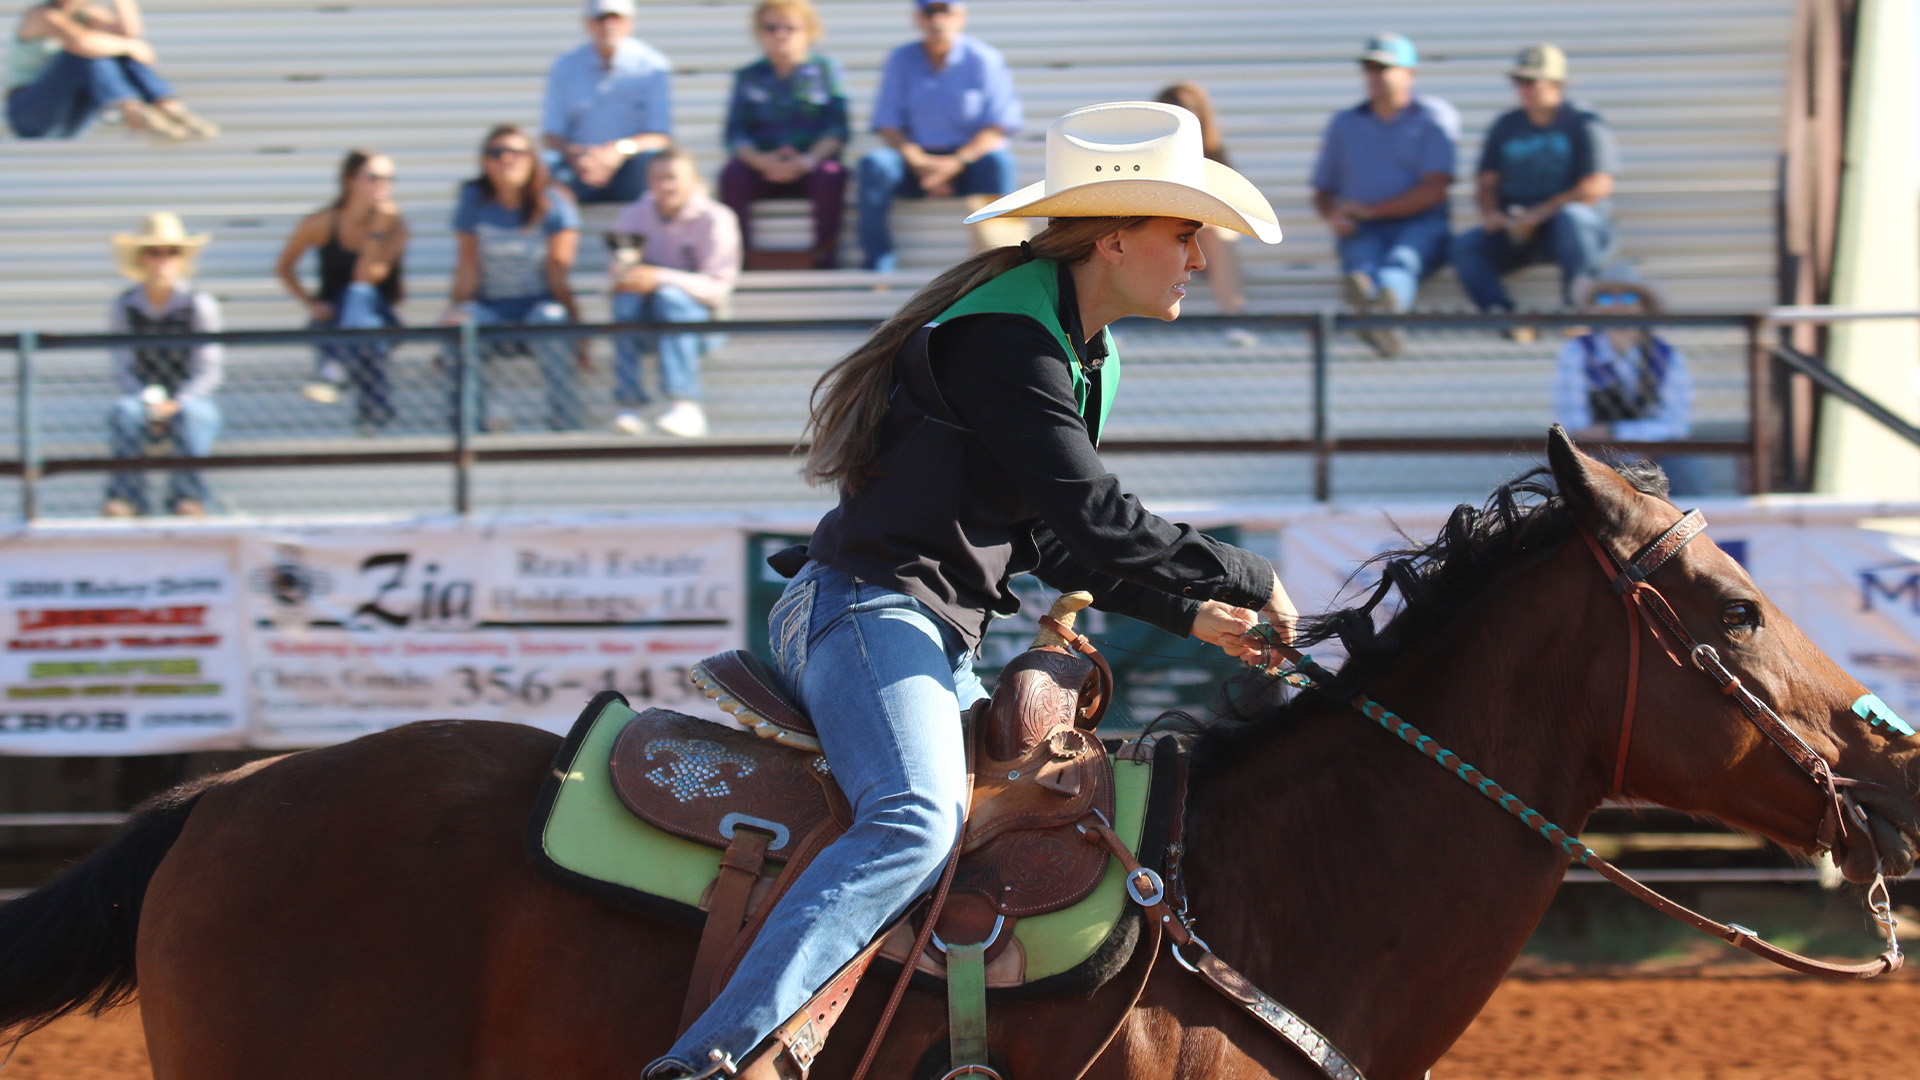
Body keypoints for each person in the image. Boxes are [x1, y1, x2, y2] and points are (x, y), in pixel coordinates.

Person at [643, 100, 1295, 1079]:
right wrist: (1250, 574)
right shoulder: (1010, 341)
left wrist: (1197, 614)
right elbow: (1092, 518)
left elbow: (1058, 546)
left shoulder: (1073, 348)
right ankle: (709, 1062)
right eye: (1185, 233)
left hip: (917, 625)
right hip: (867, 611)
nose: (1198, 258)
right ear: (1116, 238)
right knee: (915, 819)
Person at [1451, 44, 1620, 340]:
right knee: (1465, 246)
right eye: (1518, 82)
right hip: (1520, 231)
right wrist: (1492, 214)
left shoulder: (1583, 123)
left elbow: (1598, 185)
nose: (1523, 89)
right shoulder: (1506, 125)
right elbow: (1486, 183)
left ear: (1556, 85)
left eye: (1531, 82)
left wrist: (1541, 213)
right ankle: (1504, 317)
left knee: (1574, 219)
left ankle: (1578, 310)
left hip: (1570, 230)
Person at [1309, 33, 1458, 358]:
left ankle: (1376, 312)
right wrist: (1334, 216)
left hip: (1421, 223)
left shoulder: (1433, 118)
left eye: (1384, 68)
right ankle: (1378, 317)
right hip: (1362, 229)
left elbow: (1436, 188)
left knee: (1400, 265)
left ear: (1409, 74)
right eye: (1369, 68)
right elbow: (1322, 191)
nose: (1374, 76)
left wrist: (1370, 212)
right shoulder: (1344, 124)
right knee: (1363, 266)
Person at [855, 0, 1023, 272]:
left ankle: (1004, 268)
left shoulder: (984, 59)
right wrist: (916, 160)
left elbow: (998, 125)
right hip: (914, 160)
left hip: (968, 162)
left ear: (961, 17)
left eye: (945, 10)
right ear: (918, 19)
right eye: (929, 12)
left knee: (1000, 163)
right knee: (873, 165)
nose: (937, 19)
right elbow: (887, 123)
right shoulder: (901, 59)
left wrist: (955, 163)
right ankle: (878, 269)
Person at [443, 124, 583, 432]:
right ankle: (466, 429)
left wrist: (579, 333)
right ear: (484, 161)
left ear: (533, 159)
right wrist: (451, 316)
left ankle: (566, 425)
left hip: (537, 312)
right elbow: (467, 266)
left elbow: (559, 273)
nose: (506, 159)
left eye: (516, 152)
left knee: (552, 318)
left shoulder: (555, 203)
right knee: (459, 322)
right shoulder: (473, 199)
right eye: (496, 152)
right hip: (490, 311)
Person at [609, 147, 742, 438]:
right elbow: (618, 271)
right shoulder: (634, 214)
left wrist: (659, 278)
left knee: (669, 297)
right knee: (625, 300)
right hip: (646, 319)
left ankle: (685, 404)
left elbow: (718, 286)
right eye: (658, 178)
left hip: (705, 322)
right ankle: (628, 404)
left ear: (693, 180)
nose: (665, 185)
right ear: (648, 182)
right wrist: (626, 276)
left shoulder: (716, 217)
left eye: (672, 177)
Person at [274, 149, 409, 432]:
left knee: (359, 296)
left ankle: (334, 371)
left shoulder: (395, 227)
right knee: (366, 338)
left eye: (389, 178)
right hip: (334, 319)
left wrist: (379, 228)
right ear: (351, 180)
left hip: (378, 315)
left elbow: (367, 277)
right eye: (373, 177)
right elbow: (284, 267)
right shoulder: (322, 222)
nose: (383, 185)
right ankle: (375, 414)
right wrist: (311, 303)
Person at [102, 212, 222, 517]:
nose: (162, 261)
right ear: (142, 259)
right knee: (124, 413)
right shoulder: (124, 306)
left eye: (171, 253)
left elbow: (209, 370)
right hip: (141, 398)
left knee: (195, 416)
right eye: (154, 253)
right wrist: (148, 401)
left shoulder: (199, 306)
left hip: (188, 398)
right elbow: (122, 367)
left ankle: (188, 498)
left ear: (181, 260)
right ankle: (128, 499)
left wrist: (178, 402)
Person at [718, 0, 849, 269]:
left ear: (809, 31)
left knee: (832, 175)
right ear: (758, 32)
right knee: (732, 175)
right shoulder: (748, 75)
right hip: (762, 168)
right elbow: (735, 133)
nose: (780, 34)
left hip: (811, 165)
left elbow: (837, 128)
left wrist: (807, 161)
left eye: (790, 27)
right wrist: (760, 161)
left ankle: (825, 257)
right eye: (771, 27)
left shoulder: (826, 71)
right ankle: (739, 259)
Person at [1552, 270, 1704, 496]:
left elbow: (1677, 426)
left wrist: (1614, 431)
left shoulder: (1666, 356)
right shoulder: (1576, 352)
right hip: (1596, 458)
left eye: (1629, 299)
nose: (1617, 307)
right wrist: (1638, 439)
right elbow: (1576, 429)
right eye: (1605, 299)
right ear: (1595, 308)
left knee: (1686, 466)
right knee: (1559, 473)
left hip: (1656, 458)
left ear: (1644, 307)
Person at [7, 0, 215, 140]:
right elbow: (81, 42)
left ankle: (167, 105)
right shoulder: (42, 15)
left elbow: (129, 31)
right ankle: (132, 108)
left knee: (111, 51)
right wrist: (130, 46)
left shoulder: (85, 15)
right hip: (29, 113)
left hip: (70, 114)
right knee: (84, 54)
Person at [542, 0, 672, 206]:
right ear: (588, 23)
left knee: (654, 161)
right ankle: (559, 229)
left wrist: (619, 151)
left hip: (631, 169)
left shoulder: (652, 66)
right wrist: (579, 157)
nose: (609, 25)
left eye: (616, 18)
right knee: (542, 165)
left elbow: (660, 136)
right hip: (579, 168)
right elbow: (551, 135)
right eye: (601, 18)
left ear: (630, 23)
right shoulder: (565, 66)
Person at [1156, 81, 1249, 322]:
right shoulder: (1148, 156)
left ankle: (1233, 317)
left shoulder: (1214, 157)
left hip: (1199, 238)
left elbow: (1231, 207)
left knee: (1220, 234)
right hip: (1159, 231)